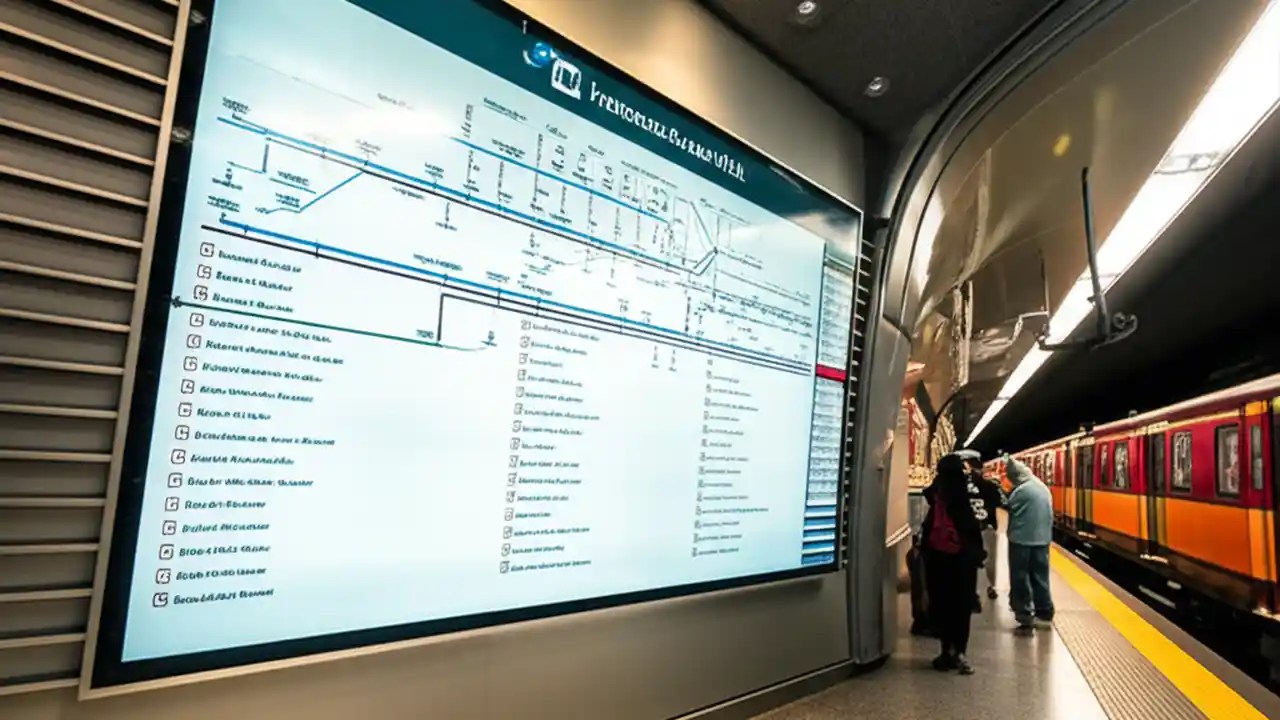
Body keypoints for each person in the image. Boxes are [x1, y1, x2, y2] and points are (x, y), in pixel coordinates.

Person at [920, 454, 986, 674]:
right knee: (961, 608)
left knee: (941, 604)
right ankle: (960, 652)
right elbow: (972, 531)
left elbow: (928, 529)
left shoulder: (936, 494)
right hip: (961, 563)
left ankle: (945, 651)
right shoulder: (963, 495)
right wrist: (978, 555)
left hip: (938, 561)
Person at [1005, 455, 1055, 634]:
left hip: (1021, 541)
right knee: (1040, 577)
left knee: (1020, 577)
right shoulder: (1042, 487)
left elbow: (1009, 507)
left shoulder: (1021, 490)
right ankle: (1044, 613)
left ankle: (1024, 613)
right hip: (1042, 540)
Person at [956, 450, 1005, 608]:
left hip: (967, 528)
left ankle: (970, 592)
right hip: (987, 527)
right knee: (990, 559)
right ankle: (991, 586)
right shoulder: (991, 485)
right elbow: (1001, 503)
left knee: (967, 560)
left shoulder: (959, 486)